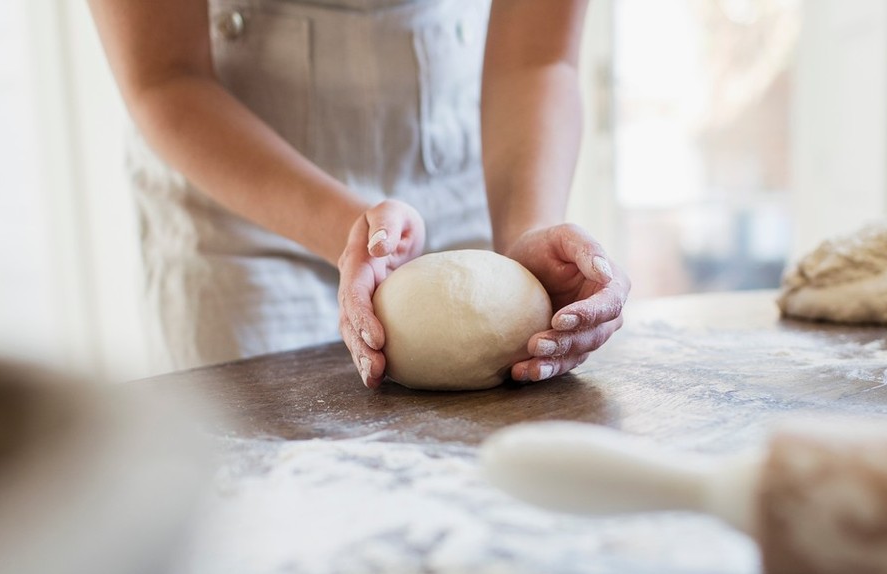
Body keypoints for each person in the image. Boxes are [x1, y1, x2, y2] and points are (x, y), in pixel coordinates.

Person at [87, 0, 630, 385]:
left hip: (469, 165)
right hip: (240, 203)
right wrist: (354, 231)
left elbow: (536, 58)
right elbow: (164, 77)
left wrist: (527, 232)